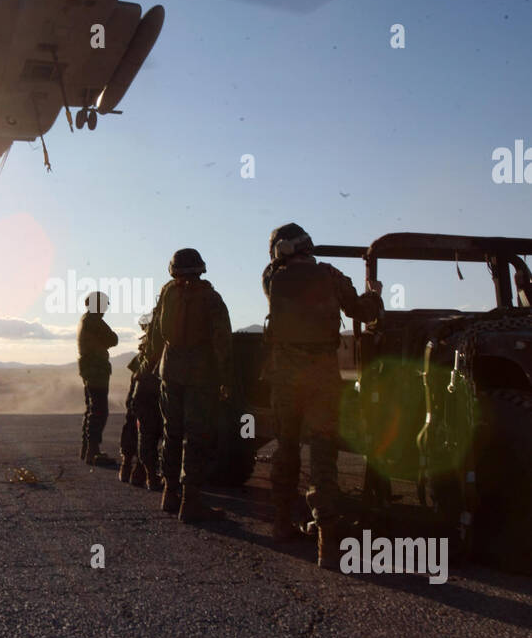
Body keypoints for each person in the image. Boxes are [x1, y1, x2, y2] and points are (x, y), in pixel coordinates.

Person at [262, 223, 382, 567]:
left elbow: (274, 272)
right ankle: (326, 541)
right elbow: (363, 312)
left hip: (285, 378)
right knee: (323, 454)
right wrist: (374, 293)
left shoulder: (272, 279)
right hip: (322, 377)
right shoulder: (330, 275)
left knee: (286, 449)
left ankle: (281, 523)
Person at [145, 249, 233, 522]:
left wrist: (149, 366)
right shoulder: (210, 297)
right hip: (200, 375)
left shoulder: (167, 293)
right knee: (195, 437)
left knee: (171, 433)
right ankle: (190, 501)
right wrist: (226, 378)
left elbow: (155, 335)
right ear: (199, 268)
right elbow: (222, 341)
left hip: (170, 371)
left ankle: (169, 494)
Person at [119, 313, 162, 489]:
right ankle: (148, 475)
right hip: (150, 389)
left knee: (136, 427)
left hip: (140, 389)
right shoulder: (161, 340)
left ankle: (132, 469)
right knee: (150, 432)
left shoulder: (147, 344)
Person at [77, 291, 118, 466]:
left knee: (92, 409)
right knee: (99, 410)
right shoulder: (94, 321)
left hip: (91, 368)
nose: (105, 309)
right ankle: (92, 451)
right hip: (96, 369)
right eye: (104, 305)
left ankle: (87, 449)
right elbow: (113, 339)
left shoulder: (87, 319)